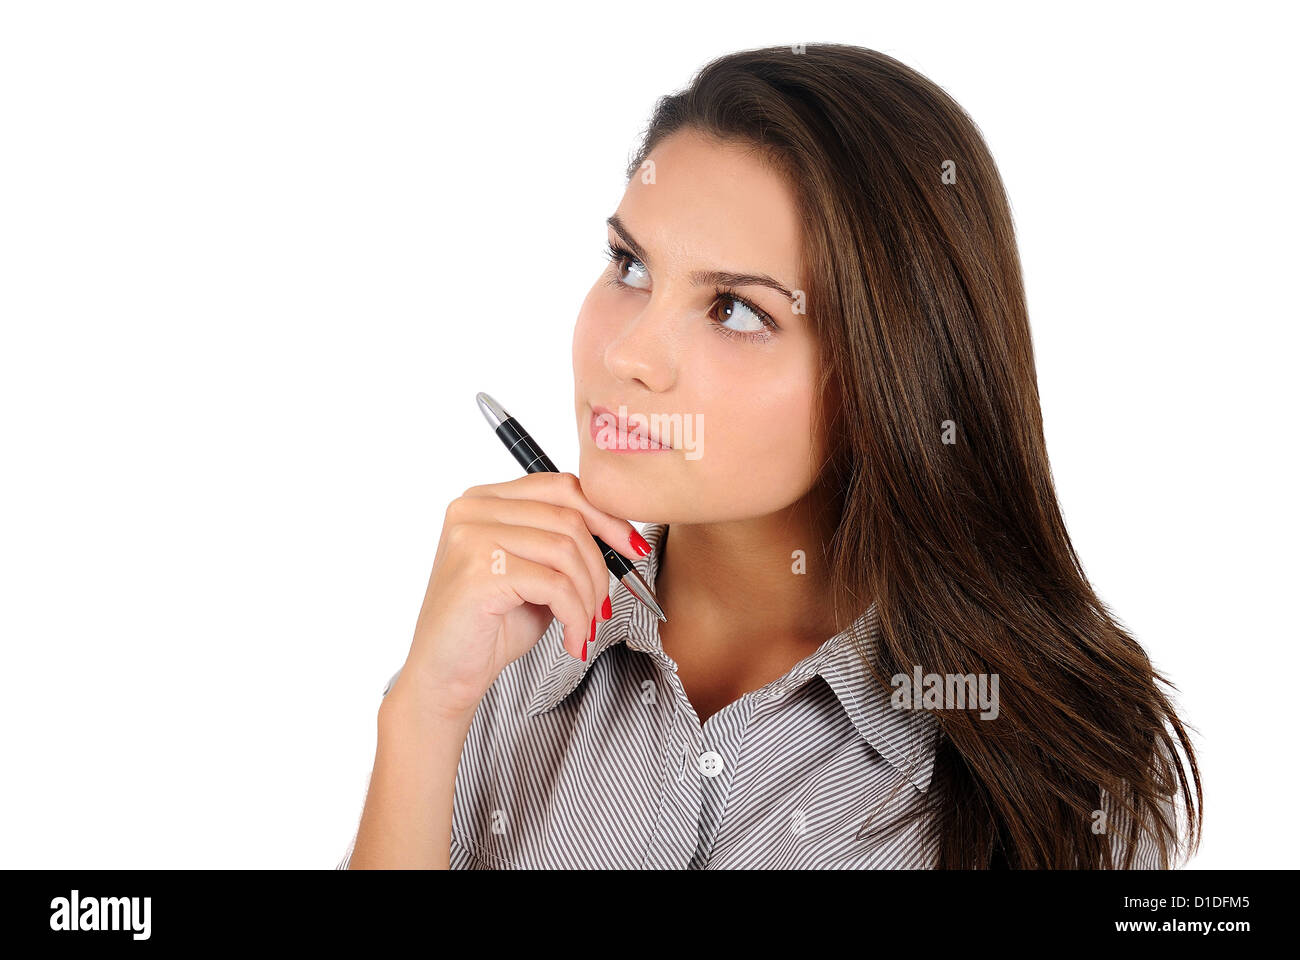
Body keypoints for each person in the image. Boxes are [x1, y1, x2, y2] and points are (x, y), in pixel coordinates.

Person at [339, 43, 1201, 869]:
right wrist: (420, 715)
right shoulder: (500, 645)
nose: (631, 356)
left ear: (885, 375)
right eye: (629, 266)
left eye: (736, 311)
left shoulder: (1046, 758)